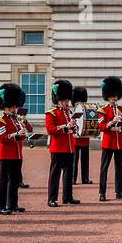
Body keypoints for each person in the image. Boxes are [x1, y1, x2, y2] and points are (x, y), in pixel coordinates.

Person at [0, 83, 28, 214]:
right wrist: (16, 135)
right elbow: (2, 138)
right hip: (5, 155)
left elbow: (24, 132)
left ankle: (12, 204)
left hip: (16, 154)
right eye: (13, 106)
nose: (15, 108)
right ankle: (1, 206)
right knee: (3, 181)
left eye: (15, 106)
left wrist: (23, 130)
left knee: (14, 181)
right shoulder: (0, 120)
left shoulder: (15, 119)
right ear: (6, 105)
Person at [46, 79, 78, 207]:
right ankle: (52, 198)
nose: (67, 102)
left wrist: (74, 127)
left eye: (67, 100)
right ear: (58, 99)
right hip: (58, 148)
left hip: (70, 147)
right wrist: (66, 126)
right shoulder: (51, 113)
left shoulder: (69, 113)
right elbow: (50, 129)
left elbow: (72, 129)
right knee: (55, 174)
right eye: (65, 100)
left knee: (68, 174)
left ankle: (67, 197)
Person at [72, 87, 93, 184]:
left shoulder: (86, 110)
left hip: (84, 138)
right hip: (75, 139)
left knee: (85, 160)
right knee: (74, 161)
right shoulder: (71, 111)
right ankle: (73, 178)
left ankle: (85, 178)